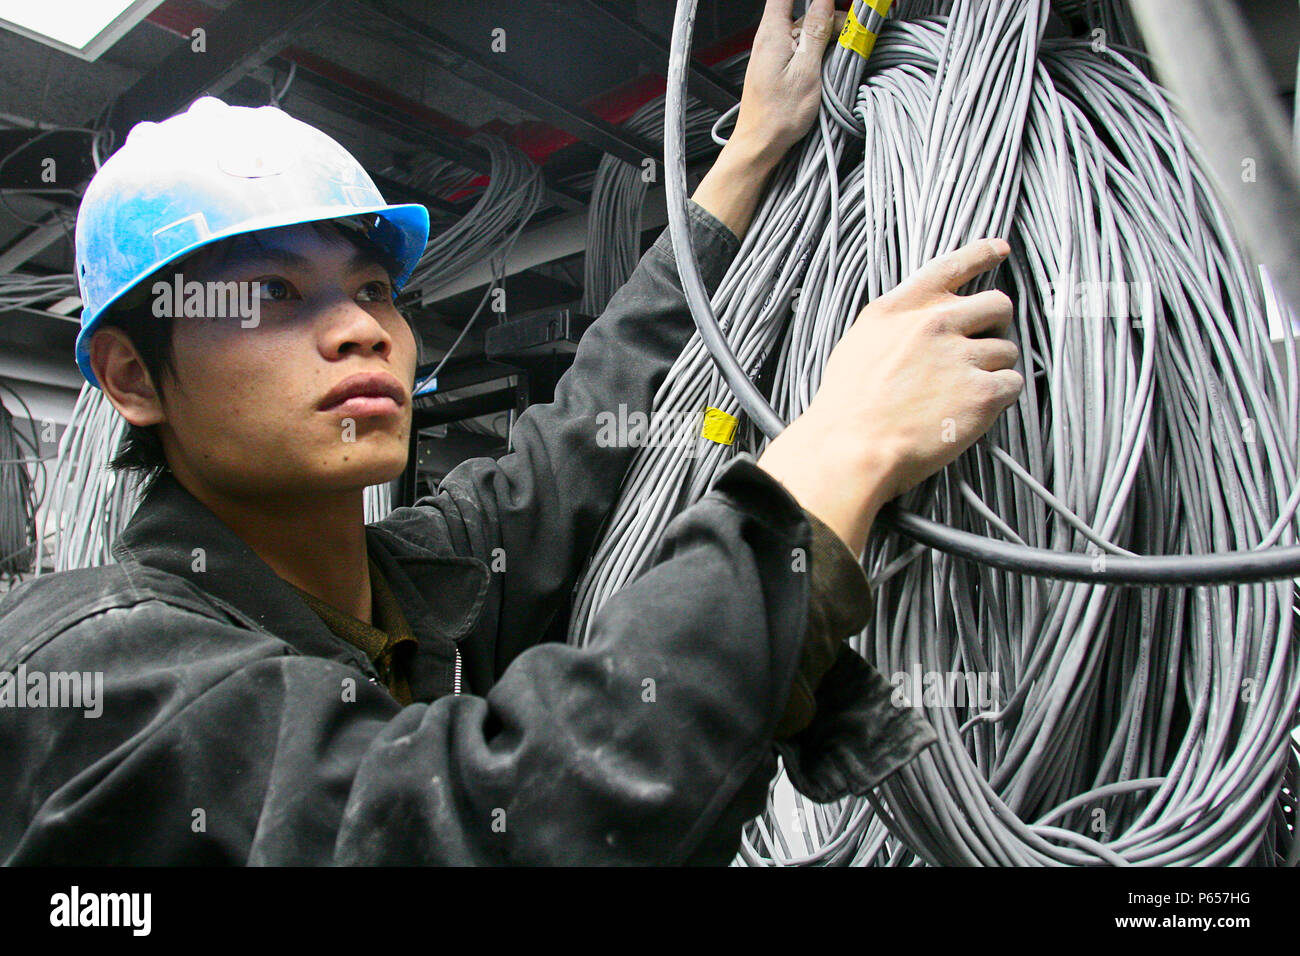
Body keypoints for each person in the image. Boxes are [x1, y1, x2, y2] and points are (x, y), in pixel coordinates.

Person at [0, 0, 1021, 864]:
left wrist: (747, 157)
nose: (361, 327)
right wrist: (832, 457)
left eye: (368, 288)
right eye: (272, 295)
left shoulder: (415, 578)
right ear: (135, 378)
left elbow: (582, 429)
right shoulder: (97, 677)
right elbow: (503, 821)